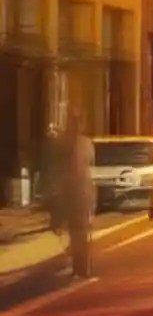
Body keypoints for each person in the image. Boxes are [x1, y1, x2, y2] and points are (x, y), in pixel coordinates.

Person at [64, 111, 94, 278]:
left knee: (80, 231)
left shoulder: (81, 144)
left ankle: (82, 266)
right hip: (76, 191)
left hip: (81, 192)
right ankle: (79, 265)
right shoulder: (80, 144)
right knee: (76, 231)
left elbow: (82, 167)